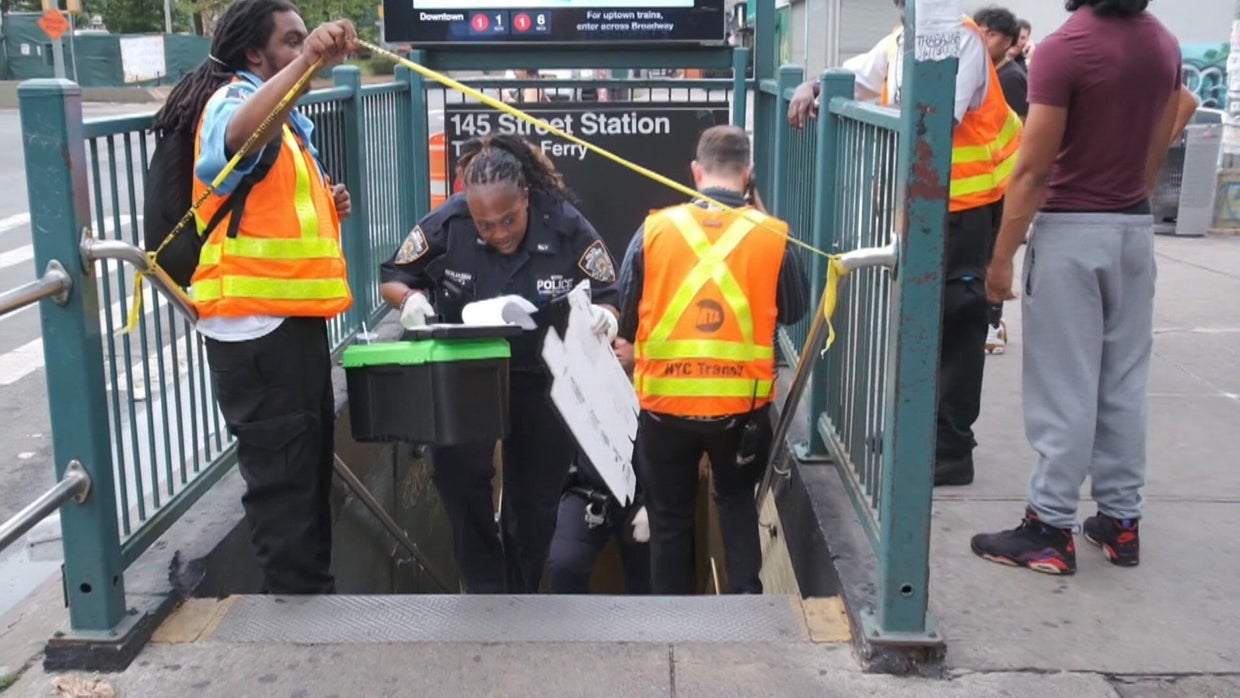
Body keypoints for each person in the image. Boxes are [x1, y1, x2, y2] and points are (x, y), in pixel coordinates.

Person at [150, 0, 357, 595]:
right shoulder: (232, 102)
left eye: (303, 41)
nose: (301, 50)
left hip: (290, 324)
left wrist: (326, 202)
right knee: (284, 490)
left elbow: (266, 206)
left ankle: (312, 605)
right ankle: (296, 625)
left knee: (309, 479)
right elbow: (239, 138)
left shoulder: (286, 118)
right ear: (253, 53)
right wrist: (312, 60)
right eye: (290, 42)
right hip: (257, 332)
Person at [971, 0, 1183, 575]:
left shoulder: (1068, 48)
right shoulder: (1162, 43)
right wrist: (1130, 191)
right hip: (1133, 230)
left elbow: (1034, 169)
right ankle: (1120, 521)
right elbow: (1176, 114)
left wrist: (1001, 260)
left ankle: (1048, 526)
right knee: (1122, 380)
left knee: (1064, 384)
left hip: (1071, 232)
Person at [789, 0, 1023, 487]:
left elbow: (938, 117)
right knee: (918, 317)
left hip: (964, 202)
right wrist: (813, 86)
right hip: (925, 205)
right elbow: (858, 76)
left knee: (956, 320)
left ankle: (951, 447)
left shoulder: (956, 37)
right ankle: (918, 433)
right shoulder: (902, 38)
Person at [378, 134, 621, 593]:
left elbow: (609, 291)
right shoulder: (446, 223)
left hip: (542, 376)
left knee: (534, 504)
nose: (500, 233)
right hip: (467, 372)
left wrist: (606, 319)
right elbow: (393, 276)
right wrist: (409, 299)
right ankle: (486, 592)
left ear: (526, 196)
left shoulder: (565, 225)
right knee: (458, 481)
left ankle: (522, 594)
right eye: (485, 225)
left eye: (508, 219)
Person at [618, 125, 809, 595]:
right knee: (738, 505)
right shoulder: (772, 235)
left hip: (664, 409)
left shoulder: (655, 229)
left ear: (695, 172)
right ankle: (745, 605)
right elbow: (797, 308)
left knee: (668, 520)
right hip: (741, 412)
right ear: (749, 175)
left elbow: (626, 311)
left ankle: (673, 621)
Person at [547, 338, 651, 595]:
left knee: (655, 578)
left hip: (646, 495)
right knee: (564, 565)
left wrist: (641, 355)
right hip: (587, 489)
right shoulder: (580, 357)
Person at [974, 6, 1026, 356]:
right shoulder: (983, 72)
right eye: (979, 31)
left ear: (1009, 42)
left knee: (994, 256)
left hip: (1002, 187)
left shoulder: (1012, 79)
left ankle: (993, 325)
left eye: (990, 34)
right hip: (981, 187)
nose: (982, 38)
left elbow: (1021, 135)